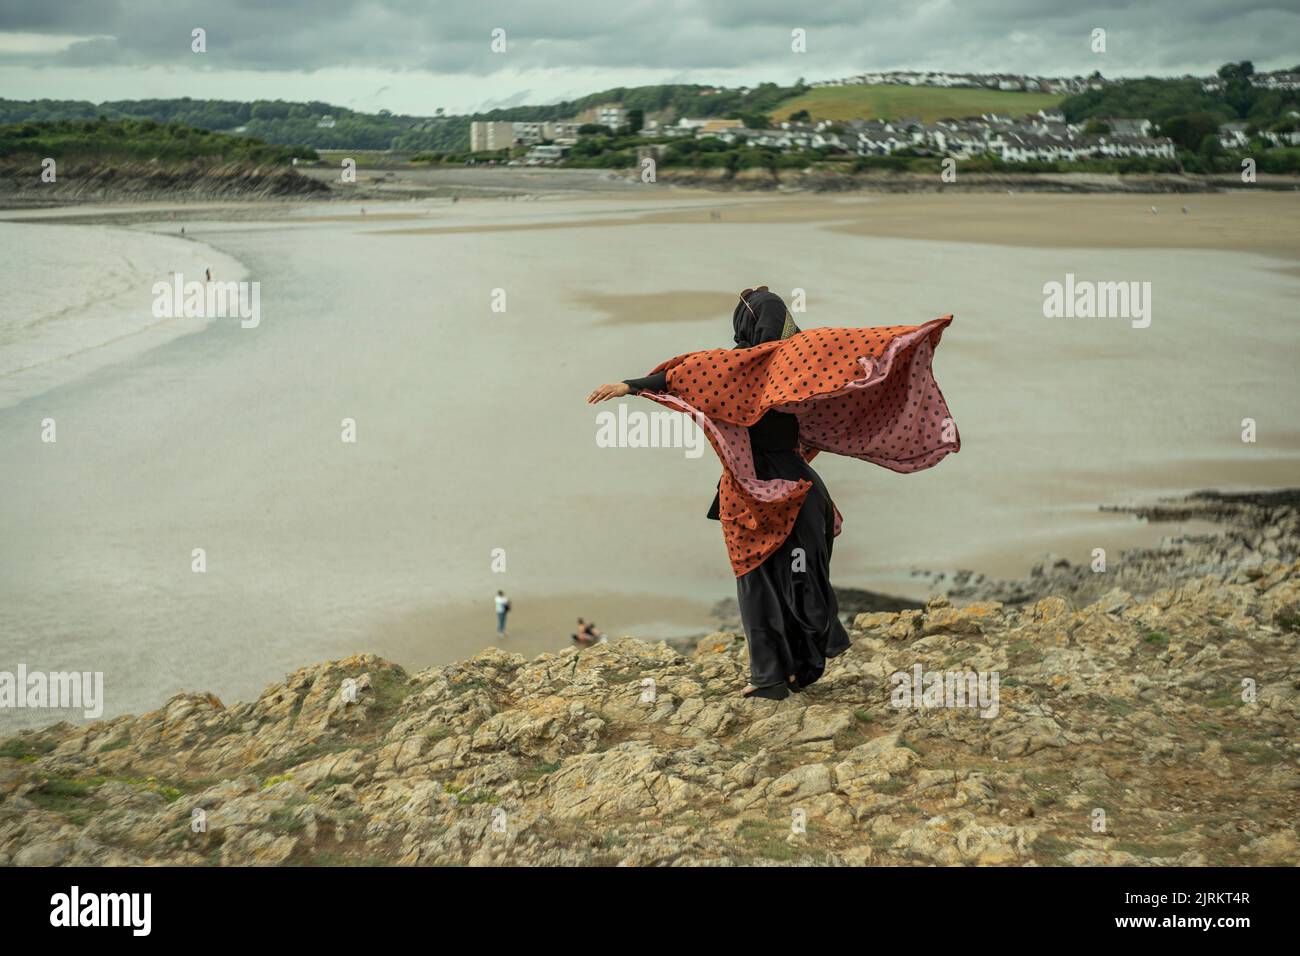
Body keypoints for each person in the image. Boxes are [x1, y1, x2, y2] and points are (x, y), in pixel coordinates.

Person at [587, 287, 959, 700]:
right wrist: (916, 335)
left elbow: (683, 374)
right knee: (801, 579)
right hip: (804, 492)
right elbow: (861, 348)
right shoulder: (801, 360)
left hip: (757, 494)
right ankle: (801, 666)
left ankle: (771, 679)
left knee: (758, 585)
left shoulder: (735, 368)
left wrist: (630, 386)